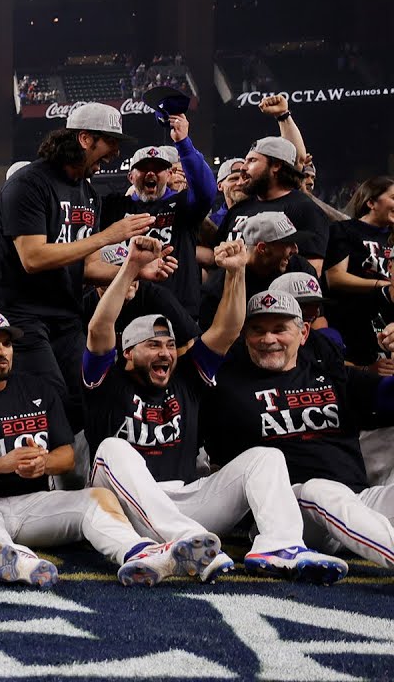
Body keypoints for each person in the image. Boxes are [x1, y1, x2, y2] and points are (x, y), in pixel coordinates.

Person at [0, 309, 219, 588]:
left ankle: (139, 553)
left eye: (7, 343)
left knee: (97, 499)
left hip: (35, 503)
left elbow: (67, 455)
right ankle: (17, 562)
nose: (2, 351)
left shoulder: (38, 389)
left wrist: (43, 464)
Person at [85, 236, 347, 583]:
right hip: (125, 506)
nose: (165, 353)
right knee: (112, 448)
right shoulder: (106, 381)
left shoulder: (186, 380)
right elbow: (100, 327)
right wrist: (131, 267)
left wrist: (237, 272)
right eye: (152, 346)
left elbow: (226, 329)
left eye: (169, 345)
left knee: (265, 458)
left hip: (186, 501)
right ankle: (183, 540)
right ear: (129, 354)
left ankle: (279, 546)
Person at [0, 102, 161, 423]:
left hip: (65, 317)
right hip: (20, 317)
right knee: (49, 398)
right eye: (110, 142)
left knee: (88, 397)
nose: (116, 152)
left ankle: (71, 470)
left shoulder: (88, 193)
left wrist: (131, 269)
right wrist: (108, 236)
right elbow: (33, 258)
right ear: (85, 139)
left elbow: (88, 266)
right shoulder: (29, 184)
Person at [202, 291, 394, 570]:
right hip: (292, 515)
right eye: (257, 330)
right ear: (244, 335)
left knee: (340, 496)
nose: (268, 339)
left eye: (280, 329)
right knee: (320, 491)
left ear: (304, 333)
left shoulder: (333, 375)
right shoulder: (228, 387)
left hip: (358, 502)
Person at [100, 124, 217, 314]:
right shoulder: (115, 206)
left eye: (158, 168)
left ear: (169, 174)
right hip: (124, 308)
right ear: (131, 177)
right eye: (143, 168)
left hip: (178, 311)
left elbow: (206, 191)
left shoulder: (183, 206)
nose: (151, 173)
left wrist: (184, 144)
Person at [215, 136, 329, 276]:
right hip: (230, 294)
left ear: (276, 166)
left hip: (274, 296)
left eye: (252, 161)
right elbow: (214, 254)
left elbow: (311, 273)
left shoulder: (305, 209)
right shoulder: (239, 209)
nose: (243, 168)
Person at [199, 212, 316, 328]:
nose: (295, 250)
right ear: (262, 248)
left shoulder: (298, 266)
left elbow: (314, 316)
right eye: (287, 244)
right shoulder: (220, 286)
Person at [324, 177, 394, 370]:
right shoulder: (345, 230)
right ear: (371, 202)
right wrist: (383, 286)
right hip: (353, 324)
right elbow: (335, 277)